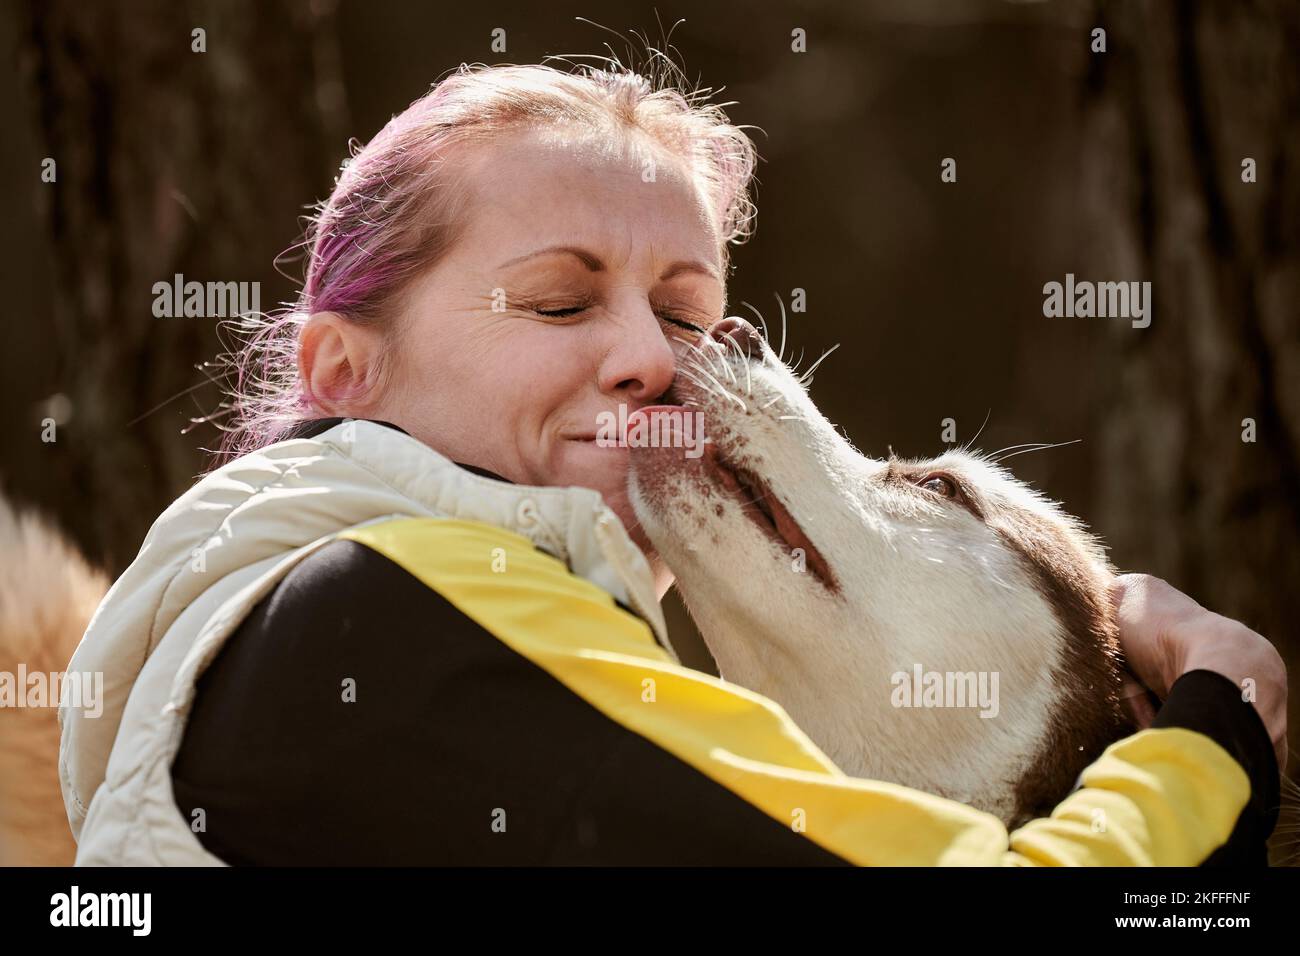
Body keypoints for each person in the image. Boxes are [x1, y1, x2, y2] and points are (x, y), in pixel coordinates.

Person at [59, 61, 1285, 865]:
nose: (657, 360)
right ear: (341, 372)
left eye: (691, 316)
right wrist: (1217, 736)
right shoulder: (397, 608)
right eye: (554, 302)